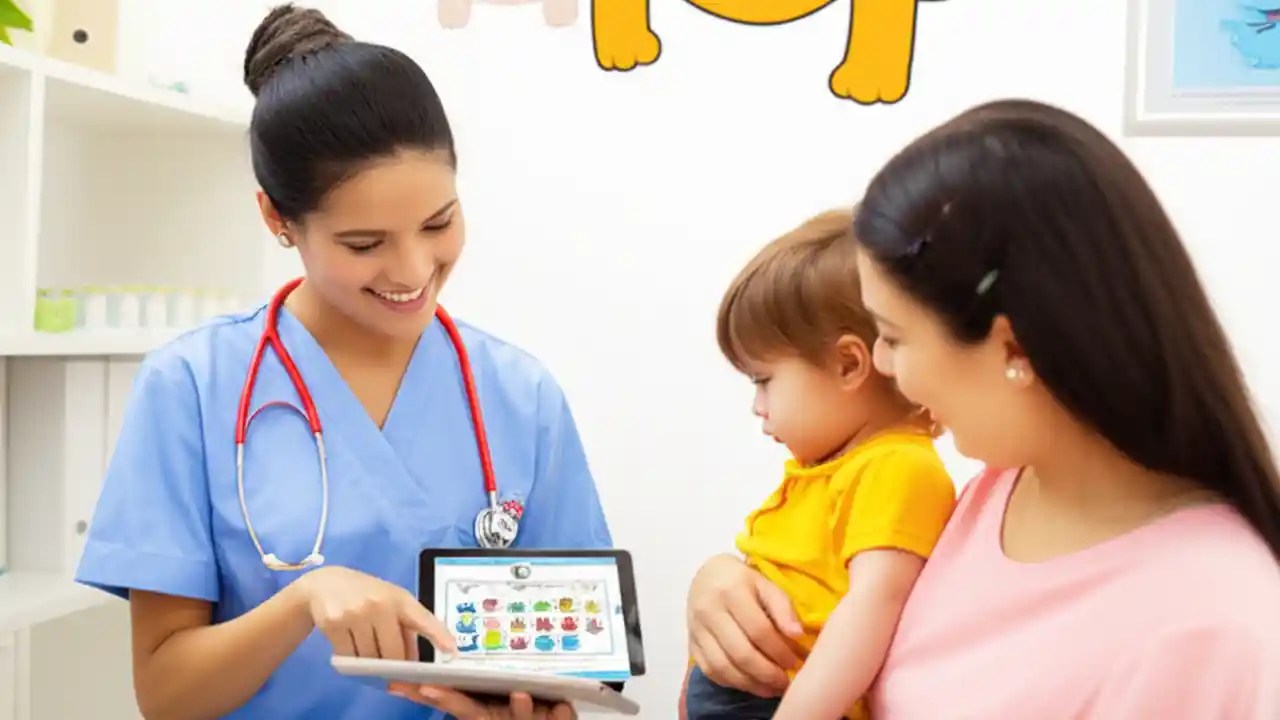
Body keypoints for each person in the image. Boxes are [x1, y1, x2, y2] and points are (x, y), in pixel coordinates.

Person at [73, 5, 607, 719]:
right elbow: (167, 695)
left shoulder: (519, 395)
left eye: (438, 223)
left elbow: (574, 669)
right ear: (277, 219)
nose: (414, 268)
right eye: (365, 243)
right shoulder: (192, 387)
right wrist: (302, 600)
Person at [682, 98, 1280, 718]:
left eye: (893, 336)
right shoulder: (989, 498)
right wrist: (720, 586)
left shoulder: (1211, 627)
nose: (883, 367)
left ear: (1011, 347)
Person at [683, 210, 955, 720]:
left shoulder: (897, 467)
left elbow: (873, 609)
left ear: (849, 365)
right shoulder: (834, 469)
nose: (758, 406)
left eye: (763, 381)